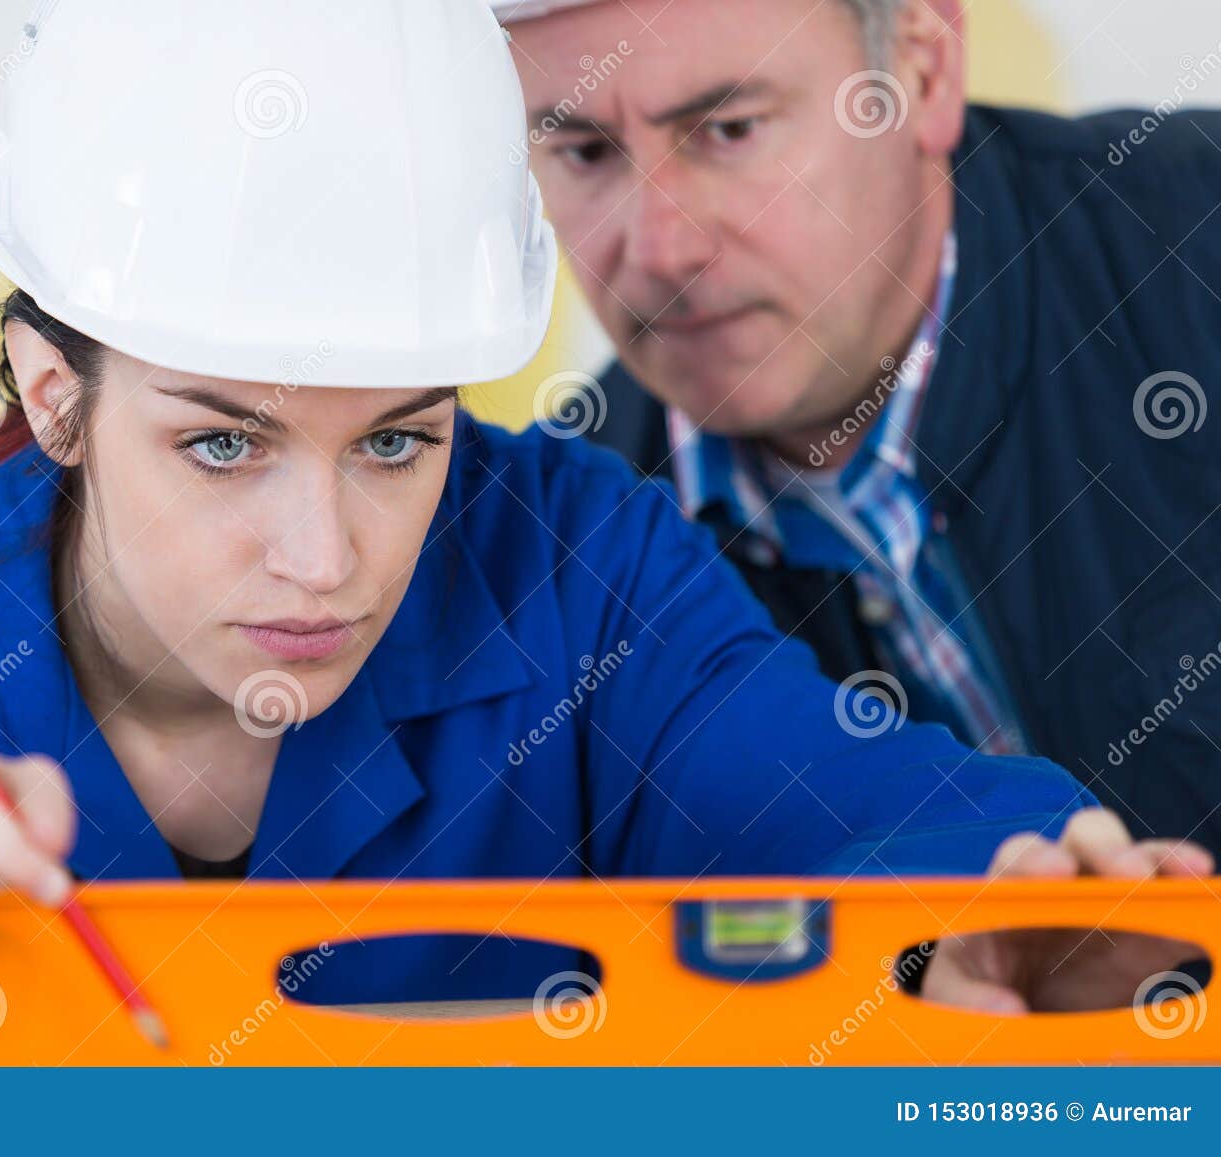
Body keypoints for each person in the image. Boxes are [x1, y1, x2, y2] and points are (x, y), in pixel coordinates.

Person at [0, 0, 1206, 1056]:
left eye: (397, 438)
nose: (327, 560)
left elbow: (833, 795)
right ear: (56, 395)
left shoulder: (577, 567)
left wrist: (1006, 908)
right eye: (220, 444)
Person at [494, 0, 1221, 855]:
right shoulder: (563, 556)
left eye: (729, 130)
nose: (660, 248)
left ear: (922, 67)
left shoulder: (1193, 248)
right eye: (582, 151)